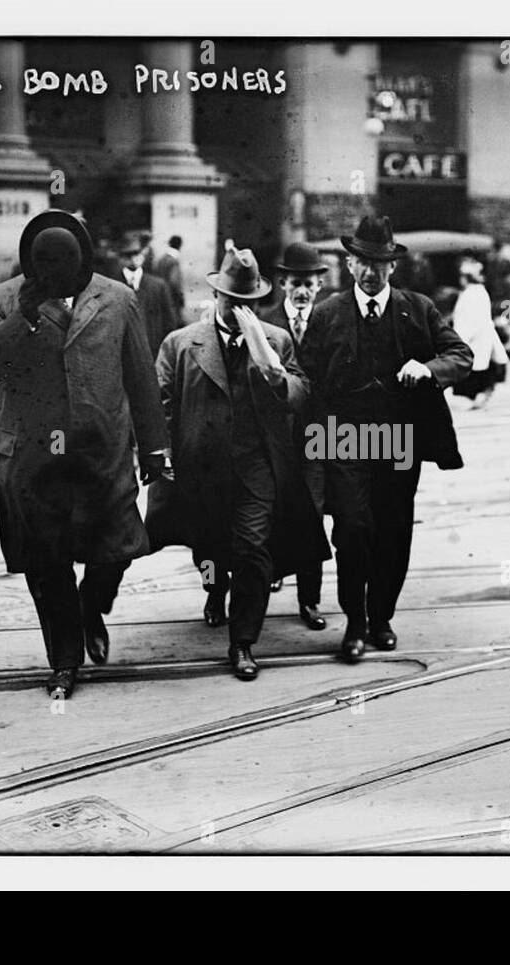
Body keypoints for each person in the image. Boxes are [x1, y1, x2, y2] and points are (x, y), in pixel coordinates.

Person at [0, 210, 168, 699]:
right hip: (33, 461)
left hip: (103, 453)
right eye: (47, 261)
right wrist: (24, 317)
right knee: (47, 562)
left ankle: (91, 606)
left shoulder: (118, 298)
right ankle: (64, 661)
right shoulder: (1, 300)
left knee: (119, 549)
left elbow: (141, 379)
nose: (56, 269)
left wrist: (157, 447)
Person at [300, 215, 472, 660]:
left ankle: (381, 618)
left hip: (399, 440)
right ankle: (354, 623)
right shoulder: (326, 315)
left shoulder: (417, 309)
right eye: (362, 262)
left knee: (393, 531)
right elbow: (306, 379)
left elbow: (461, 354)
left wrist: (428, 369)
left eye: (380, 263)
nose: (371, 271)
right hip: (345, 440)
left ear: (393, 266)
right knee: (354, 528)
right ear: (350, 263)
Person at [151, 242, 326, 681]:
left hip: (256, 466)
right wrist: (164, 452)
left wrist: (268, 362)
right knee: (208, 545)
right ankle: (214, 592)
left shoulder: (276, 340)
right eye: (232, 301)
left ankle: (243, 642)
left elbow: (301, 396)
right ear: (216, 297)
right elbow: (161, 403)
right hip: (202, 466)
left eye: (248, 303)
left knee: (253, 549)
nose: (239, 310)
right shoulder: (180, 342)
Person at [259, 242, 331, 630]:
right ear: (282, 283)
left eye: (310, 283)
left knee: (313, 515)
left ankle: (310, 600)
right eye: (295, 283)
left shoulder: (328, 321)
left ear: (320, 285)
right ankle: (267, 576)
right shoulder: (265, 323)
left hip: (317, 439)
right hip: (274, 439)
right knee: (267, 512)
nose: (302, 290)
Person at [449, 255, 508, 409]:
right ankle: (481, 394)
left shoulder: (471, 294)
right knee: (480, 367)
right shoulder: (478, 292)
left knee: (474, 368)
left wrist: (460, 338)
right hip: (480, 336)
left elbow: (467, 320)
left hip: (473, 337)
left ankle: (477, 395)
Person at [113, 234, 178, 359]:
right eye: (128, 255)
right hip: (122, 356)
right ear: (120, 258)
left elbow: (169, 322)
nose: (133, 259)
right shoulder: (112, 285)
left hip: (152, 353)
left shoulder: (158, 286)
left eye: (137, 254)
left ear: (143, 255)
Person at [152, 235, 185, 319]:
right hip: (172, 298)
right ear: (180, 245)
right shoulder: (173, 261)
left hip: (161, 296)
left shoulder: (161, 259)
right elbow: (174, 282)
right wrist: (180, 296)